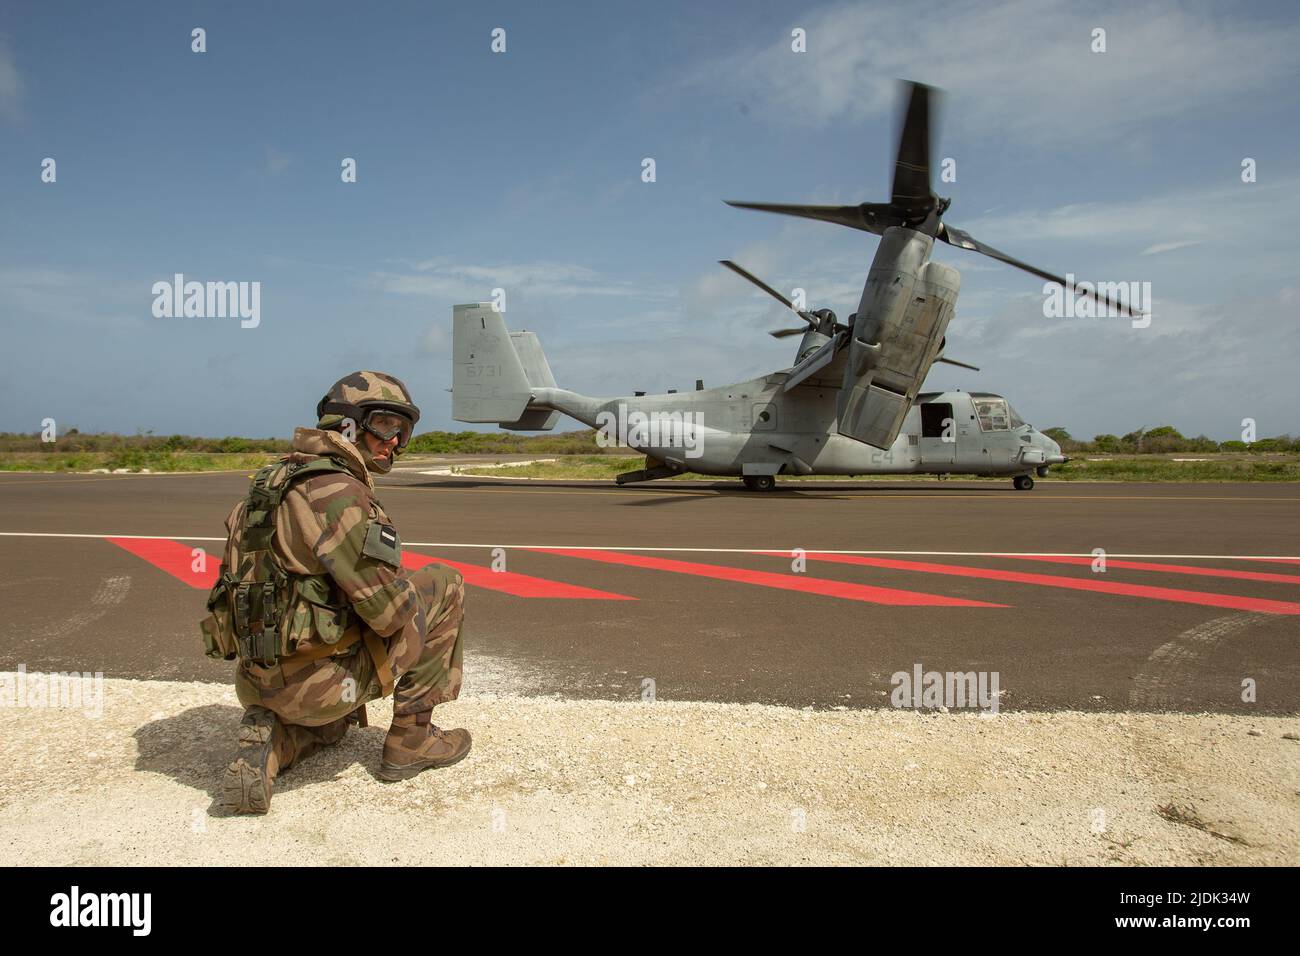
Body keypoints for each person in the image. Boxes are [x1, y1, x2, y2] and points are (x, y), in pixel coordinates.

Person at [199, 371, 470, 814]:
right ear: (348, 424)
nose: (396, 442)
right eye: (385, 424)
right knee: (445, 582)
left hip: (255, 680)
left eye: (404, 430)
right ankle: (412, 741)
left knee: (333, 729)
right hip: (320, 685)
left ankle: (276, 744)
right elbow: (390, 615)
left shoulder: (268, 484)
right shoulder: (339, 493)